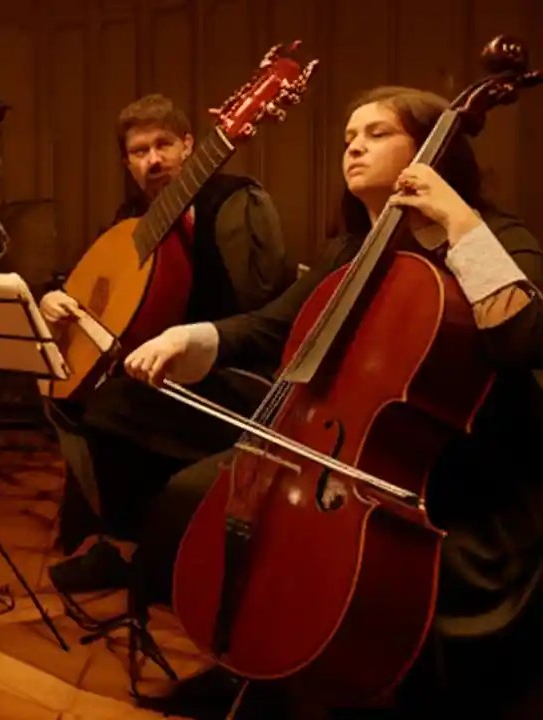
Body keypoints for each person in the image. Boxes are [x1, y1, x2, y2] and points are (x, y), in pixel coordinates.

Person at [123, 86, 543, 718]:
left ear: (432, 149)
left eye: (376, 133)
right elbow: (271, 326)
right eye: (349, 136)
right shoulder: (350, 251)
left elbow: (524, 340)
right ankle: (247, 666)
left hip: (459, 471)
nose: (354, 146)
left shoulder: (494, 234)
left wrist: (460, 223)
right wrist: (191, 336)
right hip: (352, 457)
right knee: (198, 492)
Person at [39, 93, 291, 593]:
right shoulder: (131, 218)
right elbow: (98, 287)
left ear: (190, 146)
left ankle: (134, 549)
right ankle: (126, 540)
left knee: (109, 401)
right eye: (138, 151)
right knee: (66, 394)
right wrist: (57, 300)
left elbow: (266, 309)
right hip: (154, 368)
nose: (153, 160)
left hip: (233, 370)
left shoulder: (234, 201)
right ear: (126, 162)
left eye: (164, 145)